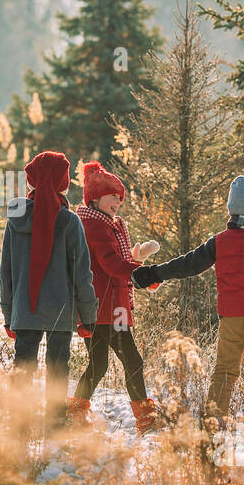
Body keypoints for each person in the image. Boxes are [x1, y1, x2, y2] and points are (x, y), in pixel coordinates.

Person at [132, 175, 244, 426]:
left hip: (232, 318)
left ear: (232, 206)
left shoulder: (219, 241)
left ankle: (212, 428)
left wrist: (155, 273)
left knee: (224, 373)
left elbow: (189, 264)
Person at [0, 151, 98, 428]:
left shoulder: (15, 219)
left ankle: (19, 423)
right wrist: (88, 316)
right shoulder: (68, 221)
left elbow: (5, 271)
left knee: (24, 366)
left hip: (24, 308)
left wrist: (9, 313)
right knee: (57, 368)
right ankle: (55, 426)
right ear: (62, 184)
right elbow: (82, 273)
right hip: (60, 311)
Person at [72, 161, 163, 435]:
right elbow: (112, 265)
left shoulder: (105, 224)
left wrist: (134, 263)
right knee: (132, 360)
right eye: (113, 197)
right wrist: (145, 273)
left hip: (103, 307)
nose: (118, 202)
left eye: (120, 198)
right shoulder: (96, 227)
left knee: (98, 364)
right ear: (95, 197)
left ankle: (74, 414)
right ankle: (145, 419)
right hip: (108, 308)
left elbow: (116, 263)